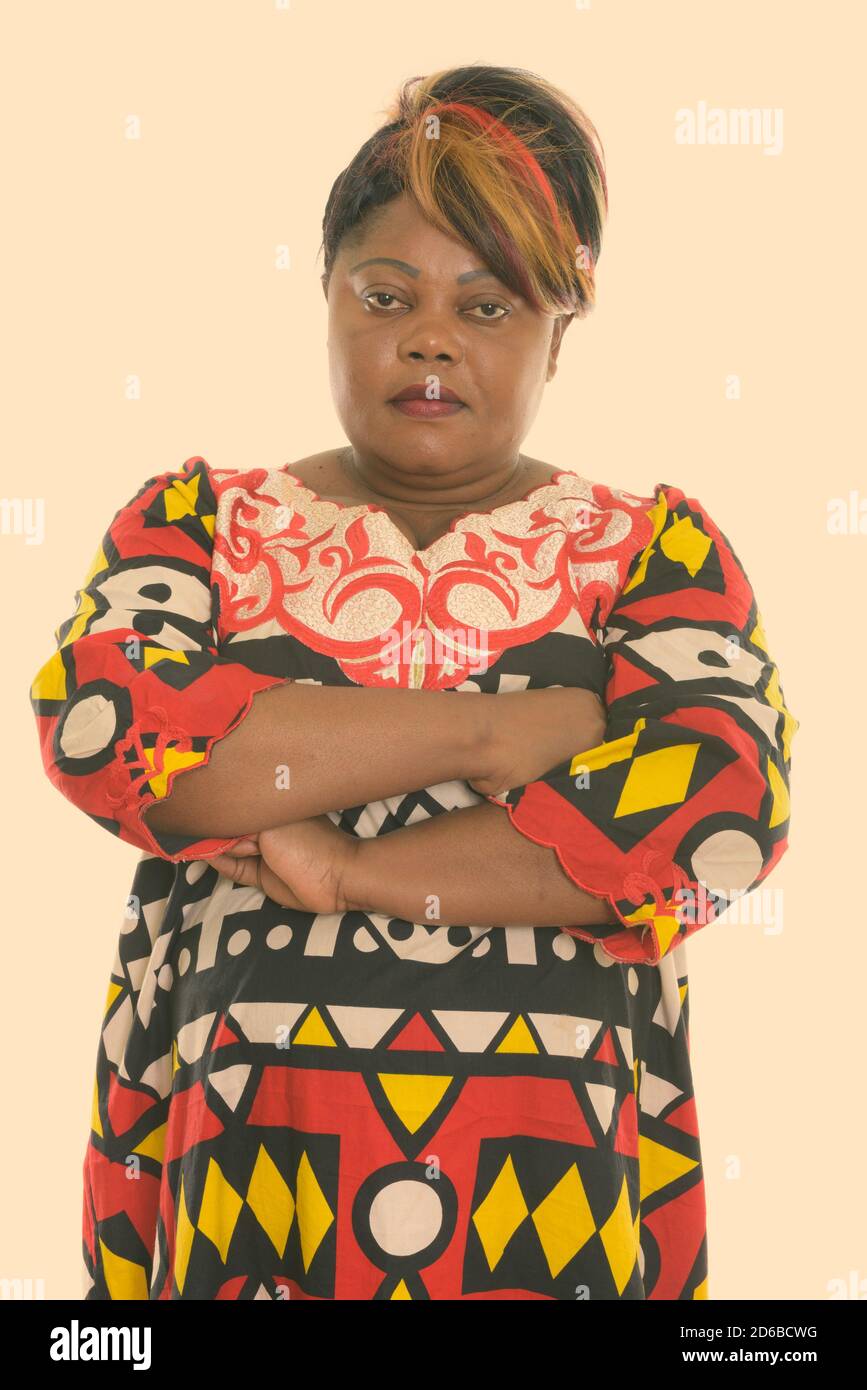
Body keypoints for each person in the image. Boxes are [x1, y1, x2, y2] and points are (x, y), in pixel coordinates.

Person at [29, 64, 798, 1301]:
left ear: (561, 328)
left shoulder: (654, 553)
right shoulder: (197, 528)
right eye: (388, 294)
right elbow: (130, 744)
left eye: (489, 308)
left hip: (553, 1213)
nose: (432, 336)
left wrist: (349, 865)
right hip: (246, 1183)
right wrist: (500, 739)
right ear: (326, 295)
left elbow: (718, 812)